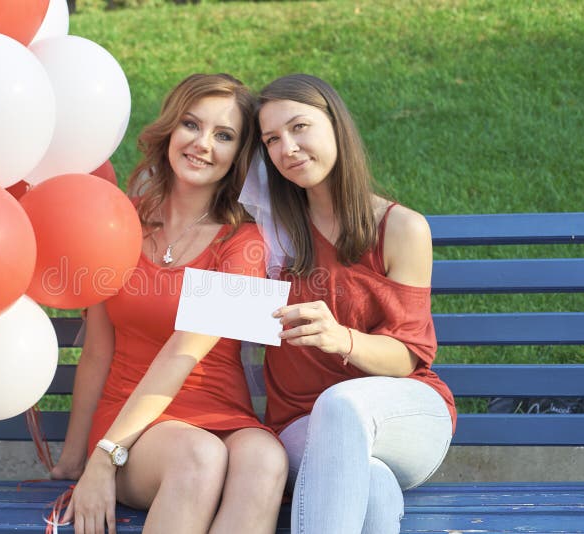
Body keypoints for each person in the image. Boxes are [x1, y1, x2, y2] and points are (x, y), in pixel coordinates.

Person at [52, 73, 288, 534]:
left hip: (220, 412)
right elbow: (98, 351)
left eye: (224, 136)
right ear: (169, 130)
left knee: (265, 458)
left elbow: (184, 353)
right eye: (191, 125)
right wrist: (79, 457)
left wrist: (104, 457)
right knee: (199, 455)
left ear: (239, 156)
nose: (203, 144)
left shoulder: (244, 242)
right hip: (132, 425)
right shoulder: (120, 219)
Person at [246, 74, 456, 533]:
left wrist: (341, 339)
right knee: (374, 489)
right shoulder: (267, 233)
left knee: (340, 405)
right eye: (272, 139)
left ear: (336, 124)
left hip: (405, 418)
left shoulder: (401, 229)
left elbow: (407, 357)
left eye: (300, 127)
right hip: (301, 427)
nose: (288, 148)